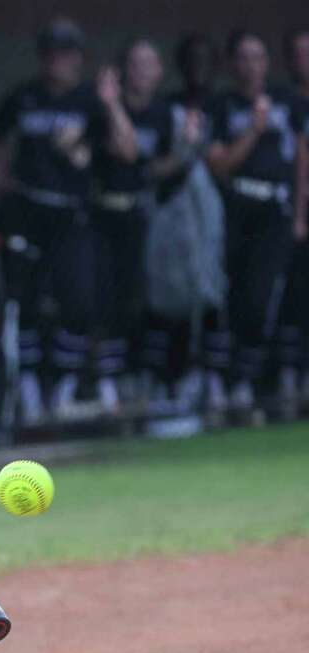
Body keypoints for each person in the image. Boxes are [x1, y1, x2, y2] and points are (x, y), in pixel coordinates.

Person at [0, 18, 100, 424]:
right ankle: (30, 389)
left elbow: (115, 151)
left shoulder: (90, 101)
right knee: (24, 299)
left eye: (67, 53)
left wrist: (83, 147)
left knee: (78, 298)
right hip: (27, 208)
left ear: (78, 59)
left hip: (71, 211)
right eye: (52, 53)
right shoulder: (24, 97)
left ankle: (65, 388)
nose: (58, 61)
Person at [205, 30, 306, 423]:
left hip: (275, 210)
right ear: (233, 64)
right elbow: (219, 165)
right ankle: (216, 381)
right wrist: (253, 129)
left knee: (261, 298)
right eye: (243, 57)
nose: (251, 65)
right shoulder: (222, 106)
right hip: (235, 208)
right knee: (226, 296)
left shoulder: (287, 102)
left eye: (259, 57)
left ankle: (246, 381)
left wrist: (298, 214)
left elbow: (300, 158)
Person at [140, 34, 226, 419]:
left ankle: (210, 378)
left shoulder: (221, 106)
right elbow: (151, 169)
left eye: (204, 59)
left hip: (218, 215)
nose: (198, 67)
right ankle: (168, 378)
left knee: (214, 294)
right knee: (171, 298)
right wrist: (185, 147)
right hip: (172, 216)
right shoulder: (168, 109)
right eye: (190, 59)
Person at [87, 40, 171, 414]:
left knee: (144, 300)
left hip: (145, 216)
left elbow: (152, 162)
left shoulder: (163, 113)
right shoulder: (101, 111)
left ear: (160, 72)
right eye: (134, 64)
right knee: (105, 301)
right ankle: (104, 382)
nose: (142, 71)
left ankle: (143, 378)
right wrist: (110, 104)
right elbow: (126, 150)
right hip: (104, 216)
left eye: (149, 64)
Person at [276, 27, 309, 417]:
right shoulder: (283, 103)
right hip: (292, 215)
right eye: (299, 53)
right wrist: (300, 216)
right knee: (294, 297)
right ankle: (288, 375)